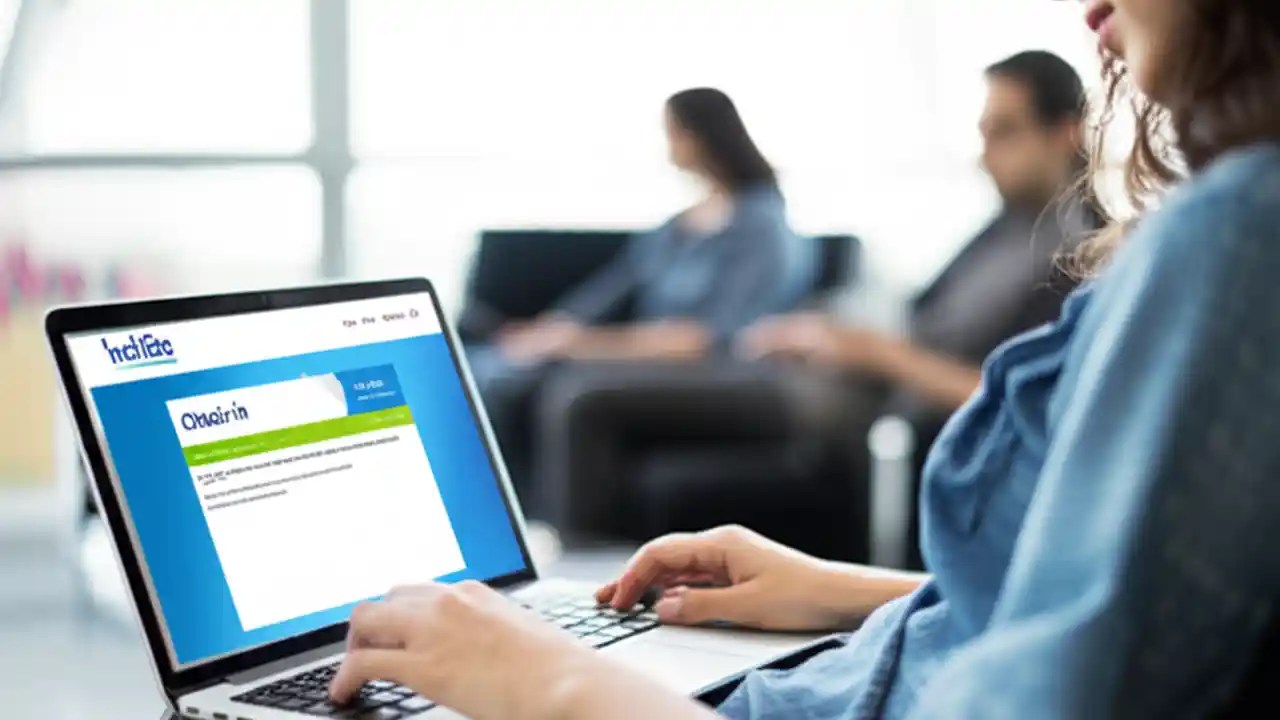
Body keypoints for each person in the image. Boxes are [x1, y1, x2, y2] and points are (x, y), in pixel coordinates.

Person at [327, 1, 1280, 718]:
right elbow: (1123, 610)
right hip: (868, 655)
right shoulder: (1196, 236)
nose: (1093, 10)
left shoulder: (1232, 237)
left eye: (1001, 129)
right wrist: (839, 589)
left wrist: (551, 681)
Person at [477, 87, 814, 512]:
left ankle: (567, 539)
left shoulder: (761, 226)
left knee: (567, 388)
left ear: (698, 136)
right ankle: (505, 523)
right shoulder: (681, 226)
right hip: (653, 354)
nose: (667, 147)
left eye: (671, 133)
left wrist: (580, 346)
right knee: (496, 370)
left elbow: (705, 339)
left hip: (717, 370)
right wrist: (553, 329)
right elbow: (614, 289)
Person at [743, 50, 1096, 415]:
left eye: (1004, 133)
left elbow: (1029, 402)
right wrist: (835, 337)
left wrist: (879, 355)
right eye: (984, 135)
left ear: (1066, 134)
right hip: (878, 393)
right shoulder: (1009, 228)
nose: (984, 157)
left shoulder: (1082, 256)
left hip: (926, 425)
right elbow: (919, 320)